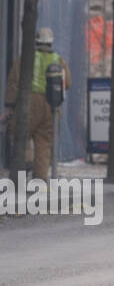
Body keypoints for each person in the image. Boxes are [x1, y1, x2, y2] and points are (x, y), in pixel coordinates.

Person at [4, 27, 71, 181]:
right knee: (44, 143)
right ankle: (40, 180)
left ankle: (26, 160)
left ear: (35, 41)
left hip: (29, 102)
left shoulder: (26, 58)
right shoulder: (58, 60)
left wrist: (9, 105)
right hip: (51, 105)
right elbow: (67, 83)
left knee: (20, 132)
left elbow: (14, 82)